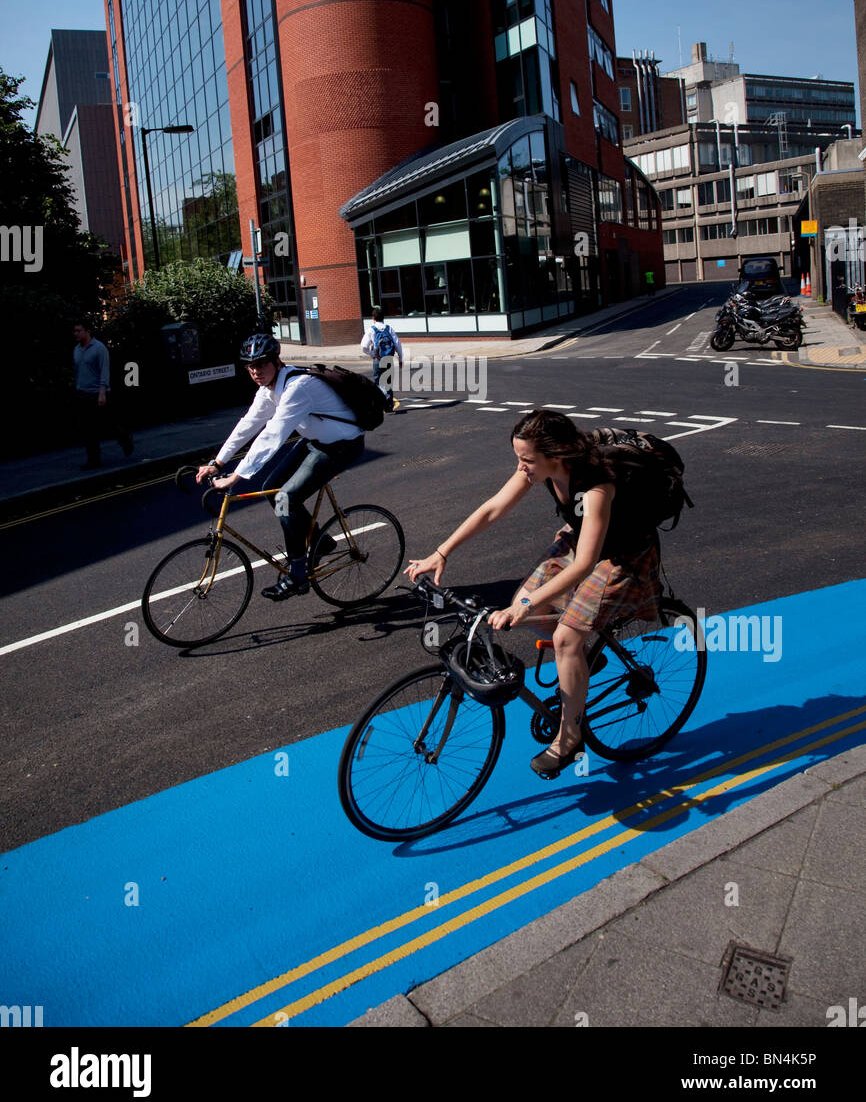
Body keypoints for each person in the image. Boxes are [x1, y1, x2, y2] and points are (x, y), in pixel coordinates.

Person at [404, 409, 661, 779]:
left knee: (565, 635)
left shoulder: (597, 486)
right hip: (582, 538)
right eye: (518, 459)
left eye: (527, 461)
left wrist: (526, 607)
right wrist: (441, 552)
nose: (521, 468)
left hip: (623, 555)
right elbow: (493, 508)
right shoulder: (542, 467)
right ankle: (582, 664)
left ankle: (570, 737)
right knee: (522, 603)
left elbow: (585, 564)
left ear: (556, 456)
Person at [196, 333, 364, 600]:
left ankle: (298, 576)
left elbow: (272, 435)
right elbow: (248, 424)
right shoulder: (269, 389)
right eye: (250, 366)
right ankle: (320, 541)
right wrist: (218, 462)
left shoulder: (298, 387)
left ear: (276, 361)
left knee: (285, 497)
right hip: (316, 440)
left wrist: (235, 477)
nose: (255, 370)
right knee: (271, 488)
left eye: (261, 363)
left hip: (342, 444)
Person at [72, 321, 133, 469]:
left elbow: (104, 372)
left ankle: (124, 439)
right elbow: (77, 371)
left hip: (98, 394)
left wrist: (102, 393)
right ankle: (94, 460)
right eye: (74, 331)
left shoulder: (99, 349)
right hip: (83, 394)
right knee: (88, 429)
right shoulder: (77, 350)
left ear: (87, 331)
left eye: (78, 331)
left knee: (109, 425)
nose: (76, 334)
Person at [361, 307, 402, 409]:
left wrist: (372, 354)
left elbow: (364, 346)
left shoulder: (371, 330)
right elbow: (397, 344)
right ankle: (389, 405)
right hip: (388, 359)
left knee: (378, 383)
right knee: (388, 382)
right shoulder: (389, 328)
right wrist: (400, 358)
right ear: (383, 318)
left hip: (378, 360)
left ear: (373, 318)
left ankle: (380, 405)